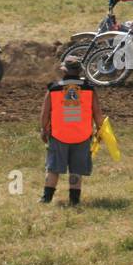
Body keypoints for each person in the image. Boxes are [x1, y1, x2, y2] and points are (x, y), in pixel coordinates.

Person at [40, 59, 104, 206]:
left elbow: (45, 113)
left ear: (64, 71)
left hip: (58, 135)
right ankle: (74, 201)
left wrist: (44, 130)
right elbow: (97, 113)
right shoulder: (89, 89)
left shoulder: (54, 89)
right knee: (76, 170)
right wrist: (100, 131)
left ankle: (46, 198)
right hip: (82, 135)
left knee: (53, 168)